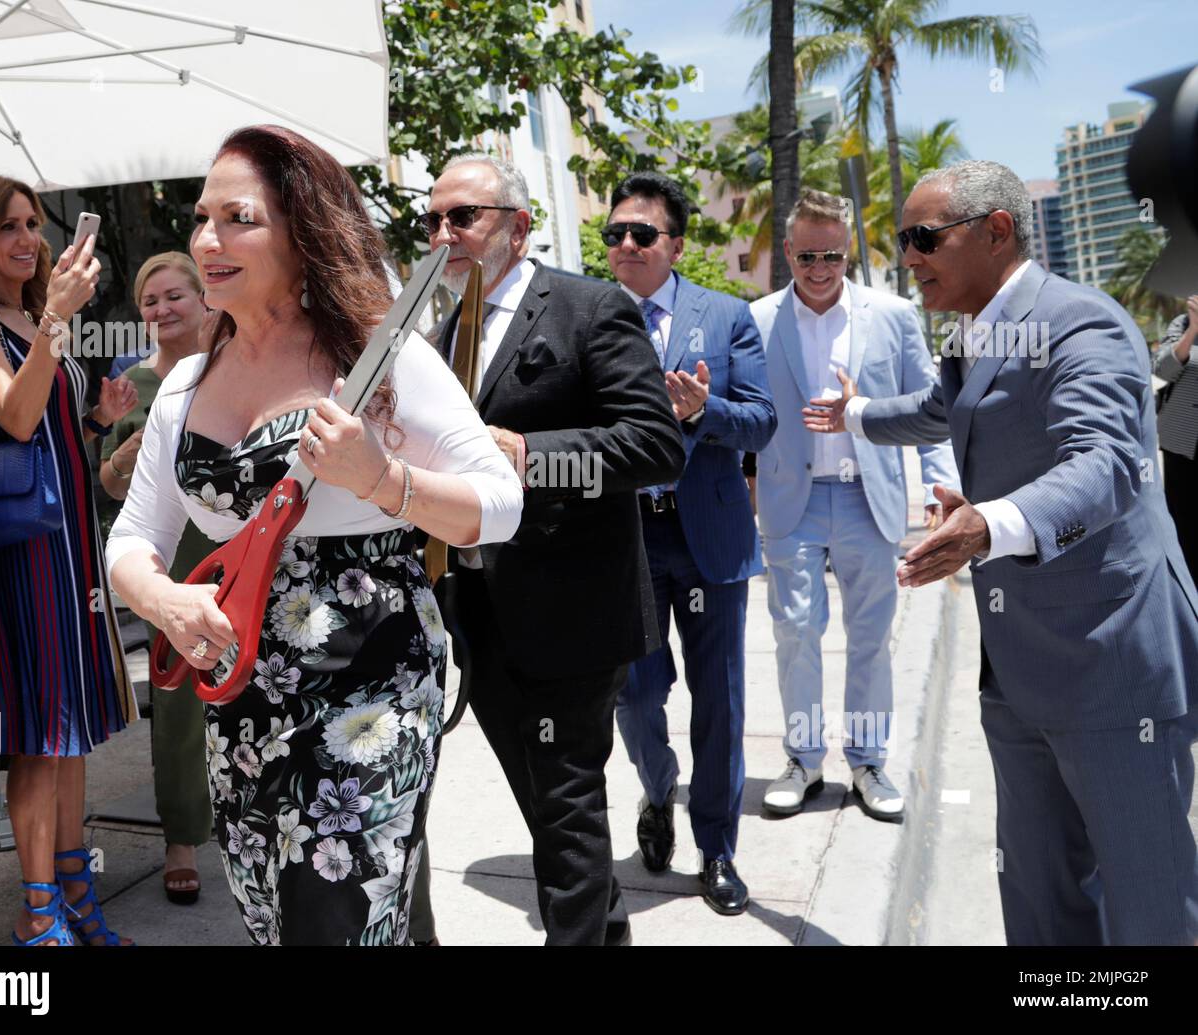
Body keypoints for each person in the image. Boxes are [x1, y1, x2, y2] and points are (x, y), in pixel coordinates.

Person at [107, 125, 523, 946]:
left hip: (373, 690)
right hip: (240, 692)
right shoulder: (184, 385)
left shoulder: (377, 354)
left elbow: (500, 501)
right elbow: (130, 538)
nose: (206, 240)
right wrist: (163, 599)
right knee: (269, 913)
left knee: (333, 922)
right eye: (201, 218)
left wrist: (381, 479)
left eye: (239, 218)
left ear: (303, 232)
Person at [805, 159, 1198, 945]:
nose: (908, 256)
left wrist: (991, 522)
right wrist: (854, 415)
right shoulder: (976, 329)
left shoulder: (1081, 321)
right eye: (901, 239)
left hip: (1109, 658)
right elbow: (938, 408)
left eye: (922, 237)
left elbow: (1107, 462)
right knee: (1038, 887)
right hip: (1016, 670)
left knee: (1145, 898)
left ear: (995, 231)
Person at [410, 153, 685, 946]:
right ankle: (608, 933)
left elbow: (653, 445)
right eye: (433, 219)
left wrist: (532, 454)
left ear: (519, 226)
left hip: (572, 610)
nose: (443, 232)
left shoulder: (589, 308)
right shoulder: (432, 330)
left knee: (566, 811)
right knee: (547, 809)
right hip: (477, 610)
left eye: (462, 217)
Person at [0, 175, 139, 947]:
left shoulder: (29, 314)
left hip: (73, 537)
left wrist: (95, 415)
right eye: (8, 227)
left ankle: (77, 892)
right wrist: (56, 319)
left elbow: (47, 425)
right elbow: (13, 415)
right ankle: (38, 908)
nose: (28, 238)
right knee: (41, 732)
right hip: (25, 550)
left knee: (75, 727)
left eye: (32, 224)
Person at [751, 188, 960, 822]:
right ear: (788, 250)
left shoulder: (893, 316)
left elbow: (932, 413)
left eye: (833, 256)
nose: (819, 268)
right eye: (807, 254)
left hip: (871, 501)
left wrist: (937, 487)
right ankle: (804, 760)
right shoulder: (757, 320)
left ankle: (868, 762)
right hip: (793, 503)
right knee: (795, 635)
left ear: (850, 253)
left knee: (870, 637)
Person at [603, 172, 775, 915]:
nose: (625, 246)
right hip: (626, 538)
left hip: (707, 531)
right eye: (614, 235)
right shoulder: (594, 315)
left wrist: (705, 411)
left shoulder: (728, 316)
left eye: (642, 234)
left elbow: (764, 421)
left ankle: (717, 848)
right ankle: (655, 785)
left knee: (720, 701)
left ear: (674, 244)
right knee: (637, 692)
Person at [101, 253, 215, 905]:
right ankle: (181, 839)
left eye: (175, 295)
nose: (163, 308)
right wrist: (131, 446)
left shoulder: (236, 372)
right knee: (177, 699)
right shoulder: (130, 387)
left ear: (204, 299)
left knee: (259, 682)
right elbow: (109, 486)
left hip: (244, 549)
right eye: (150, 300)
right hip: (168, 561)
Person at [1153, 295, 1198, 579]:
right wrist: (1193, 329)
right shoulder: (1181, 324)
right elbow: (1161, 370)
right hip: (1182, 442)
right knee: (1187, 522)